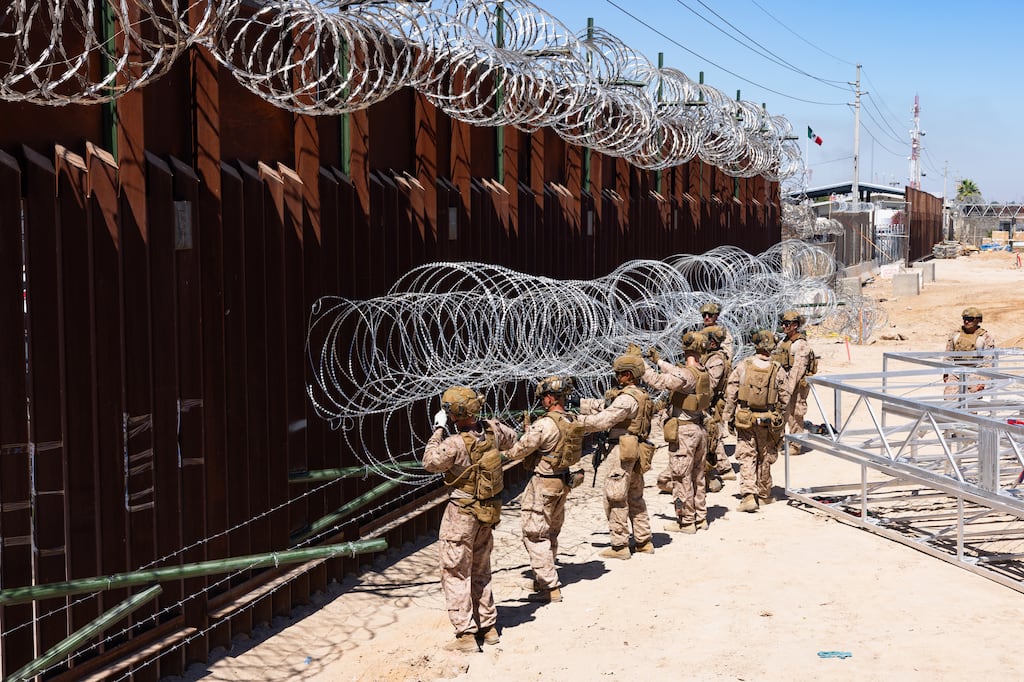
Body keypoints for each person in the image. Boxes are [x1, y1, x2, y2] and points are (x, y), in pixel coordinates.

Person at [423, 386, 517, 652]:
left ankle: (465, 634)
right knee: (481, 569)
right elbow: (513, 438)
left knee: (456, 571)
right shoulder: (493, 429)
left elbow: (429, 462)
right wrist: (487, 425)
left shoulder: (453, 444)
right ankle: (488, 627)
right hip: (487, 511)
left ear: (452, 414)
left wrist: (438, 429)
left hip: (461, 513)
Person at [501, 376, 584, 604]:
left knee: (535, 534)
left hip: (543, 484)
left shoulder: (544, 424)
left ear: (549, 398)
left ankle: (549, 586)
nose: (541, 402)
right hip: (562, 482)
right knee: (551, 532)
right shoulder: (570, 418)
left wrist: (499, 454)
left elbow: (520, 450)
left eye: (543, 398)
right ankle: (544, 576)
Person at [577, 353, 655, 559]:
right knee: (635, 497)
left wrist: (575, 421)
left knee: (615, 497)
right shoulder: (641, 395)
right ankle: (643, 540)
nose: (617, 377)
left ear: (628, 375)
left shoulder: (627, 399)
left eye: (619, 374)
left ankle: (619, 545)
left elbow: (603, 420)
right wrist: (582, 403)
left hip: (621, 452)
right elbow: (609, 406)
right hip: (636, 451)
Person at [642, 332, 711, 533]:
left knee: (681, 478)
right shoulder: (701, 371)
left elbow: (658, 381)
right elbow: (679, 373)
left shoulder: (686, 376)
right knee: (698, 476)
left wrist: (640, 364)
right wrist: (659, 361)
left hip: (685, 433)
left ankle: (686, 521)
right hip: (698, 429)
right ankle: (700, 517)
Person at [722, 330, 790, 512]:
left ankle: (748, 495)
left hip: (746, 418)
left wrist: (728, 417)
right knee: (765, 456)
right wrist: (781, 421)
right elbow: (785, 398)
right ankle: (764, 493)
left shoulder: (743, 366)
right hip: (768, 419)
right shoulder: (777, 369)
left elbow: (731, 394)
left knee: (747, 455)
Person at [773, 310, 817, 457]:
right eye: (783, 324)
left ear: (795, 325)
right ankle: (779, 442)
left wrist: (788, 390)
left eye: (787, 324)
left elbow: (797, 370)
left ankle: (796, 444)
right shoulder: (784, 342)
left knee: (795, 415)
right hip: (784, 384)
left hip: (797, 386)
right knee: (781, 412)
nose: (784, 327)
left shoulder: (801, 345)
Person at [702, 325, 735, 488]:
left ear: (713, 343)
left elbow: (711, 385)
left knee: (714, 434)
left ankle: (725, 468)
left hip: (715, 402)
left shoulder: (716, 361)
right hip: (712, 401)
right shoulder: (711, 357)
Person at [943, 306, 996, 395]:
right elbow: (948, 355)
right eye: (964, 318)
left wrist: (983, 380)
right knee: (949, 397)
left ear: (978, 320)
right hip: (956, 372)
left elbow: (988, 361)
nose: (966, 321)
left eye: (970, 319)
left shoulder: (985, 337)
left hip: (976, 372)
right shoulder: (955, 335)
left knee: (971, 400)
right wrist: (946, 373)